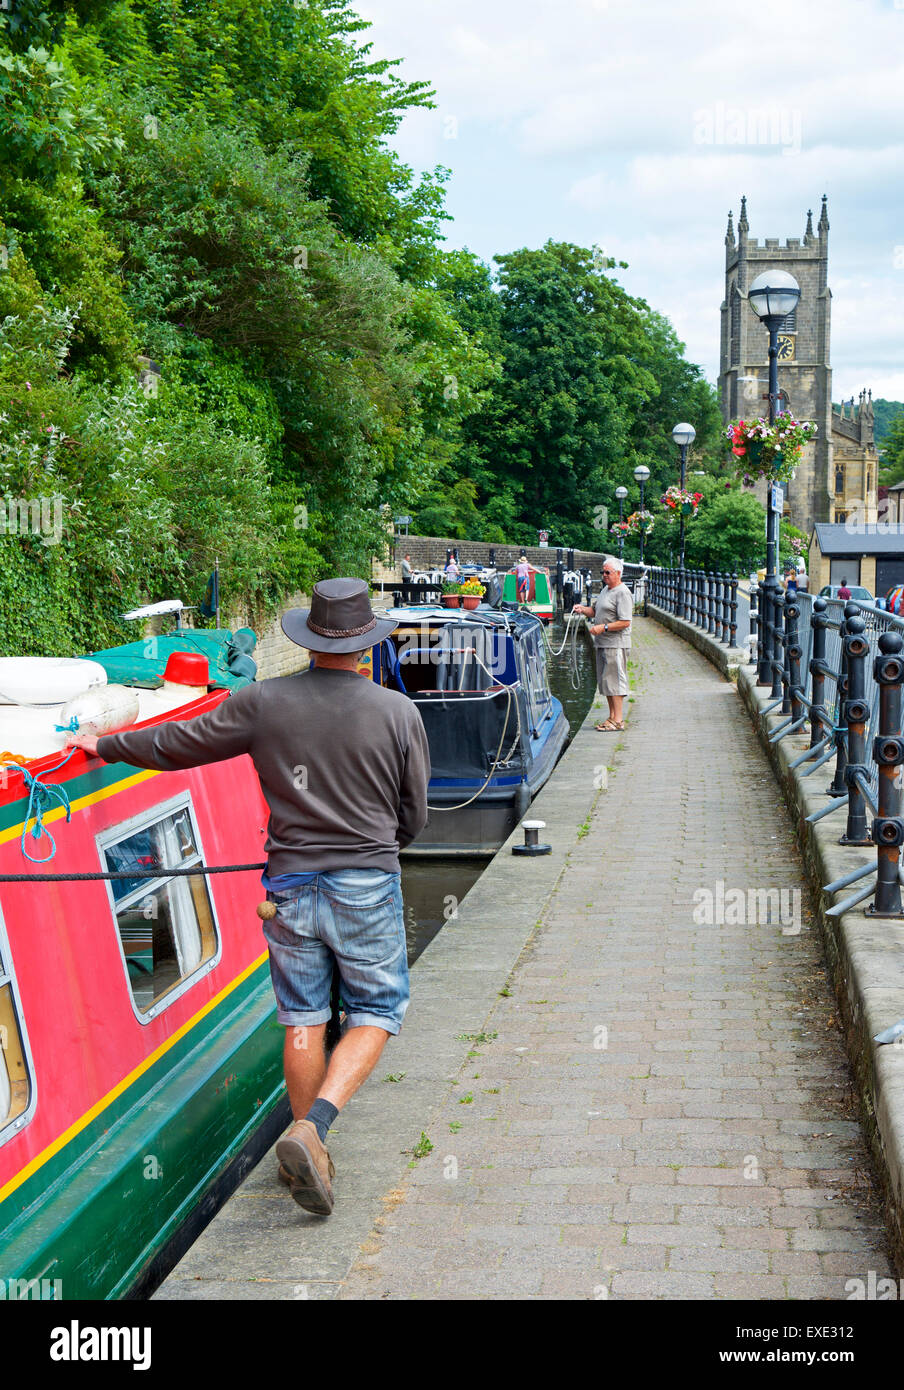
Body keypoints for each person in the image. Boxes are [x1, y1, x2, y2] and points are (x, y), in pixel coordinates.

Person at [67, 579, 430, 1219]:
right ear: (366, 648)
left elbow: (175, 745)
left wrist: (103, 745)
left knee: (303, 1016)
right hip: (365, 882)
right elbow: (415, 816)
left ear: (309, 643)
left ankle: (309, 1145)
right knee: (377, 1010)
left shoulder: (264, 703)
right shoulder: (397, 713)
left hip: (288, 887)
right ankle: (313, 1129)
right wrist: (381, 845)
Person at [574, 556, 632, 731]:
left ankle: (619, 720)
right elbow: (595, 611)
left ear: (618, 573)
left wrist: (603, 628)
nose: (604, 575)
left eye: (608, 572)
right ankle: (612, 717)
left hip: (615, 643)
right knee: (606, 681)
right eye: (603, 572)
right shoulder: (606, 590)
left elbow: (625, 621)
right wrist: (583, 610)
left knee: (615, 680)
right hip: (602, 643)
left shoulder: (622, 592)